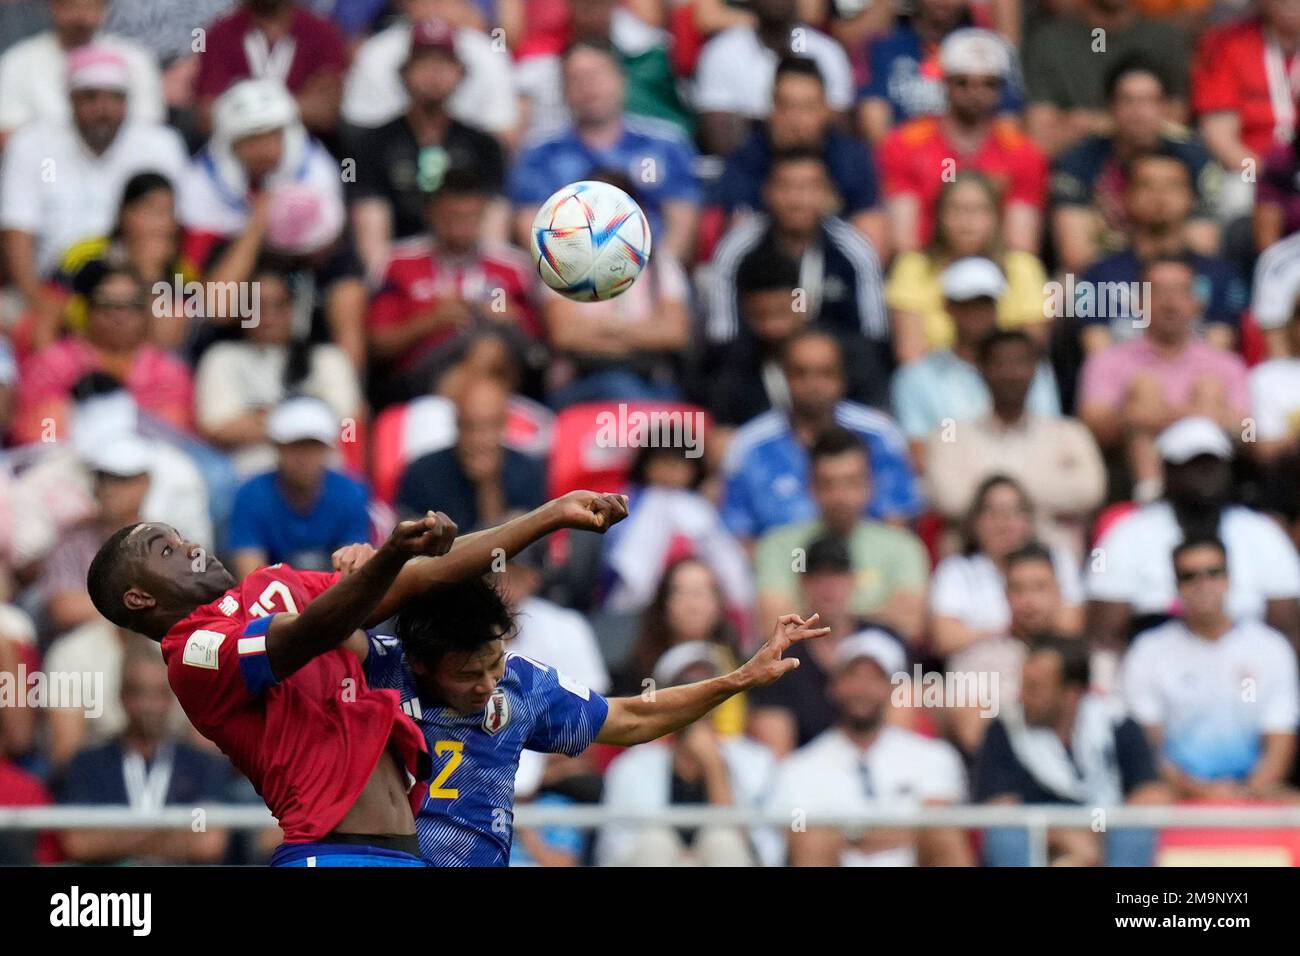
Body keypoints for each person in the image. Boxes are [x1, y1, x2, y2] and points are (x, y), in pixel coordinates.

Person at [85, 489, 630, 865]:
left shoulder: (270, 586)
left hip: (405, 852)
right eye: (167, 550)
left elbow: (422, 577)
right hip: (329, 853)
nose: (191, 547)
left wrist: (549, 516)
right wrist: (389, 555)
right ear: (140, 597)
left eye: (181, 537)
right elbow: (309, 634)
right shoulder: (193, 655)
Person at [360, 571, 830, 865]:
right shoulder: (369, 669)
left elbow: (630, 720)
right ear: (419, 663)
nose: (488, 684)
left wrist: (739, 679)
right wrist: (366, 572)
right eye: (468, 674)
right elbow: (299, 626)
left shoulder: (524, 685)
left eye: (494, 662)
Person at [0, 45, 186, 313]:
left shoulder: (160, 145)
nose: (103, 109)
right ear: (70, 99)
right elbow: (17, 233)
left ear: (127, 101)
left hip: (142, 289)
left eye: (114, 98)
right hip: (50, 292)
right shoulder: (32, 145)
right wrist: (39, 305)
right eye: (90, 97)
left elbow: (174, 228)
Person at [1087, 417, 1300, 649]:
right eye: (1193, 464)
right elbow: (1105, 633)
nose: (1205, 473)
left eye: (1212, 463)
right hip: (1155, 673)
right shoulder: (1129, 533)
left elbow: (1287, 630)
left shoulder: (1262, 532)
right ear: (1168, 470)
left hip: (1247, 670)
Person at [767, 629, 974, 866]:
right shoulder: (799, 767)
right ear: (834, 686)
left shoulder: (933, 756)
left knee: (943, 833)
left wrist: (847, 835)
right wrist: (901, 831)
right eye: (853, 676)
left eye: (876, 678)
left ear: (891, 689)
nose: (863, 688)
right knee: (810, 840)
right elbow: (795, 827)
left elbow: (939, 817)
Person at [1121, 537, 1300, 800]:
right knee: (1146, 799)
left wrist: (1243, 793)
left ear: (1229, 578)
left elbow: (1280, 740)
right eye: (1189, 576)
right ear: (1176, 585)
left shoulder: (1270, 647)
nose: (1203, 584)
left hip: (1255, 791)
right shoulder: (1148, 650)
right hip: (1176, 791)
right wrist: (1201, 792)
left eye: (1213, 573)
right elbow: (1148, 748)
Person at [975, 635, 1169, 866]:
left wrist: (1095, 831)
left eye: (1034, 688)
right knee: (1005, 836)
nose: (1021, 697)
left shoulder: (1116, 722)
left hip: (1104, 829)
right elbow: (1001, 806)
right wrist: (1061, 835)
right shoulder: (1003, 730)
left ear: (1071, 694)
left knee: (1134, 830)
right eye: (1023, 685)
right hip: (1037, 839)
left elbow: (1151, 793)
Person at [506, 40, 699, 264]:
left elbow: (682, 228)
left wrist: (646, 277)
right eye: (576, 79)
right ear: (563, 91)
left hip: (654, 273)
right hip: (566, 279)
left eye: (597, 75)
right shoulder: (538, 154)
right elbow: (531, 229)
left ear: (622, 79)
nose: (588, 87)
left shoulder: (667, 145)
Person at [345, 16, 507, 281]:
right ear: (404, 72)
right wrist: (389, 284)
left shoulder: (484, 145)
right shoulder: (372, 143)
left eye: (444, 64)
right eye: (423, 63)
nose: (434, 74)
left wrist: (481, 285)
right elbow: (370, 227)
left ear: (460, 73)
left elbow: (492, 229)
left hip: (468, 270)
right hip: (398, 272)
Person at [721, 329, 920, 542]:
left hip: (869, 568)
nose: (813, 384)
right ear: (783, 377)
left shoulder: (880, 435)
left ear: (842, 376)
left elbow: (897, 521)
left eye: (826, 373)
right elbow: (739, 535)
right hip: (779, 569)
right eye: (801, 373)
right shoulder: (749, 445)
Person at [1077, 255, 1250, 496]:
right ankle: (1152, 495)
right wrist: (1130, 417)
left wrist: (1216, 419)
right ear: (1138, 303)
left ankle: (1208, 495)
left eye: (1180, 292)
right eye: (1157, 292)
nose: (1169, 303)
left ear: (1197, 302)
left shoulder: (1226, 364)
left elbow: (1250, 431)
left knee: (1209, 389)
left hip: (1212, 472)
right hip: (1128, 476)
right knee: (1143, 387)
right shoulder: (1107, 361)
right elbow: (1090, 427)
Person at [924, 329, 1106, 559]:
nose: (1011, 374)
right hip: (973, 567)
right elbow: (950, 500)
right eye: (999, 363)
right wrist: (1045, 496)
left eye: (1021, 363)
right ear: (981, 369)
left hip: (1054, 571)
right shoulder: (949, 435)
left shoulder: (1069, 433)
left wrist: (992, 495)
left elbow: (1090, 491)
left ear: (1036, 370)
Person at [595, 643, 780, 867]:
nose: (698, 697)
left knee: (722, 840)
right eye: (686, 686)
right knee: (656, 841)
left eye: (710, 686)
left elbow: (763, 854)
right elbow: (613, 853)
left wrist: (714, 767)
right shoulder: (630, 767)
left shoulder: (757, 761)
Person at [366, 168, 537, 404]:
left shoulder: (512, 268)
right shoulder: (399, 262)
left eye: (471, 218)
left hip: (501, 371)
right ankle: (475, 423)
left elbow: (537, 351)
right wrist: (432, 320)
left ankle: (470, 422)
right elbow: (377, 347)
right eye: (453, 217)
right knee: (487, 350)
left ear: (484, 216)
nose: (462, 227)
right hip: (419, 376)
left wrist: (511, 320)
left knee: (490, 347)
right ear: (431, 214)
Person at [707, 149, 889, 367]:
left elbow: (873, 336)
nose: (796, 200)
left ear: (827, 194)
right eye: (785, 188)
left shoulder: (854, 249)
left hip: (836, 374)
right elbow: (722, 335)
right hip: (755, 370)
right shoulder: (736, 249)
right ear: (766, 192)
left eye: (809, 188)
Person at [878, 28, 1046, 253]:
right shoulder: (905, 144)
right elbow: (903, 243)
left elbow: (1021, 246)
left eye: (988, 83)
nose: (975, 93)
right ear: (944, 83)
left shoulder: (1023, 152)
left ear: (1001, 90)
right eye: (963, 82)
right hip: (926, 265)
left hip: (997, 269)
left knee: (1026, 271)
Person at [755, 427, 929, 643]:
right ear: (810, 487)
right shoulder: (777, 545)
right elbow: (773, 628)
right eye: (828, 484)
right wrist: (870, 616)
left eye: (851, 482)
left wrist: (820, 618)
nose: (840, 496)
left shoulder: (903, 546)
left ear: (870, 485)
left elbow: (909, 625)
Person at [58, 649, 232, 865]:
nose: (150, 706)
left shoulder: (201, 765)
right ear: (121, 696)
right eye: (139, 693)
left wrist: (116, 837)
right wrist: (170, 835)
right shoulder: (89, 764)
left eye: (160, 694)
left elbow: (208, 843)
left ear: (173, 698)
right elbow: (79, 843)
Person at [1050, 56, 1221, 274]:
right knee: (1064, 287)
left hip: (1178, 274)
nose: (1139, 113)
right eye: (1128, 101)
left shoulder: (1193, 158)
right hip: (1103, 273)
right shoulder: (1080, 160)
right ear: (1110, 107)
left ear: (1167, 108)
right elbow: (1076, 256)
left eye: (1150, 101)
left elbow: (1204, 247)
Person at [890, 257, 1060, 469]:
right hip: (951, 485)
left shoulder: (1032, 368)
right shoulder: (915, 377)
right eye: (966, 304)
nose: (976, 313)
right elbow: (918, 453)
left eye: (985, 303)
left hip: (1027, 479)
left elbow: (1048, 436)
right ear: (947, 307)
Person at [1070, 152, 1245, 357]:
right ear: (1127, 197)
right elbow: (1098, 358)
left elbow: (1218, 356)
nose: (1160, 196)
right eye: (1147, 186)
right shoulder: (1097, 277)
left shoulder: (1220, 275)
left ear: (1191, 197)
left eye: (1172, 186)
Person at [194, 269, 363, 477]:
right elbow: (217, 429)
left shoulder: (329, 359)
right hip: (247, 476)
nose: (268, 316)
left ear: (294, 308)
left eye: (278, 305)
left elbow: (347, 426)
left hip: (324, 475)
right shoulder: (221, 358)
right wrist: (309, 422)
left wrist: (259, 418)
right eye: (256, 306)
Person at [12, 266, 195, 445]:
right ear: (89, 310)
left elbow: (174, 434)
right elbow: (39, 431)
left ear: (145, 313)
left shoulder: (168, 371)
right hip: (65, 460)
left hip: (146, 463)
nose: (120, 316)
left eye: (131, 306)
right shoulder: (53, 363)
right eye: (108, 305)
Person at [716, 56, 884, 250]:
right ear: (771, 110)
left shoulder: (851, 158)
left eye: (806, 108)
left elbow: (872, 237)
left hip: (836, 271)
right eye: (786, 106)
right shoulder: (746, 159)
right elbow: (736, 233)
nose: (795, 121)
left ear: (826, 111)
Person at [886, 172, 1050, 364]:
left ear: (996, 216)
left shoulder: (1023, 267)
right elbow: (910, 355)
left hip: (1006, 380)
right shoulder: (913, 266)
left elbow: (1032, 351)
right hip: (935, 381)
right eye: (955, 209)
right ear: (939, 215)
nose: (966, 221)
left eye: (978, 210)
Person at [929, 475, 1085, 663]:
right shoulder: (956, 570)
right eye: (993, 512)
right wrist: (1012, 631)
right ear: (975, 521)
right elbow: (945, 639)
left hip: (1046, 664)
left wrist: (982, 633)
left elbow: (1070, 626)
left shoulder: (1057, 560)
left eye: (1014, 512)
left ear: (1028, 520)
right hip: (980, 669)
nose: (1004, 523)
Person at [1022, 0, 1191, 157]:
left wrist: (1082, 123)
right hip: (1076, 171)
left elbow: (1175, 125)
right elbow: (1042, 140)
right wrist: (1131, 120)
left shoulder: (1164, 38)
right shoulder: (1049, 41)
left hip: (1154, 167)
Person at [227, 397, 372, 579]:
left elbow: (354, 573)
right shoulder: (249, 496)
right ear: (278, 449)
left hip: (334, 599)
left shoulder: (352, 493)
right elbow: (250, 577)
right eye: (295, 447)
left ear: (327, 450)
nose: (304, 458)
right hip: (271, 602)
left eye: (313, 447)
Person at [693, 0, 853, 157]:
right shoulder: (724, 50)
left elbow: (839, 129)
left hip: (819, 165)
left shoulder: (824, 51)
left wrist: (754, 121)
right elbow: (720, 138)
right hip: (750, 167)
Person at [342, 0, 518, 138]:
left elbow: (503, 136)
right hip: (389, 172)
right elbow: (358, 133)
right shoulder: (376, 53)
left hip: (468, 173)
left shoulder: (487, 54)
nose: (433, 74)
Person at [618, 557, 747, 737]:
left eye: (702, 593)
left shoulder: (742, 664)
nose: (693, 605)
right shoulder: (637, 668)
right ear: (664, 603)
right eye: (681, 593)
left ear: (719, 604)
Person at [0, 0, 163, 142]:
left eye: (90, 6)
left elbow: (149, 131)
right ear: (53, 7)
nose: (81, 17)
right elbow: (8, 135)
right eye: (71, 6)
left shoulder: (136, 60)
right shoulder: (17, 61)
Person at [396, 379, 545, 531]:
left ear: (504, 425)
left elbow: (520, 545)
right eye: (469, 426)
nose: (478, 439)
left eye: (488, 426)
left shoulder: (528, 472)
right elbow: (410, 541)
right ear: (457, 423)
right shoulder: (421, 473)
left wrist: (488, 486)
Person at [195, 0, 348, 137]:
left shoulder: (322, 32)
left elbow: (325, 113)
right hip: (238, 147)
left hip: (306, 145)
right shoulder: (219, 33)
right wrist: (297, 106)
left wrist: (241, 107)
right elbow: (208, 116)